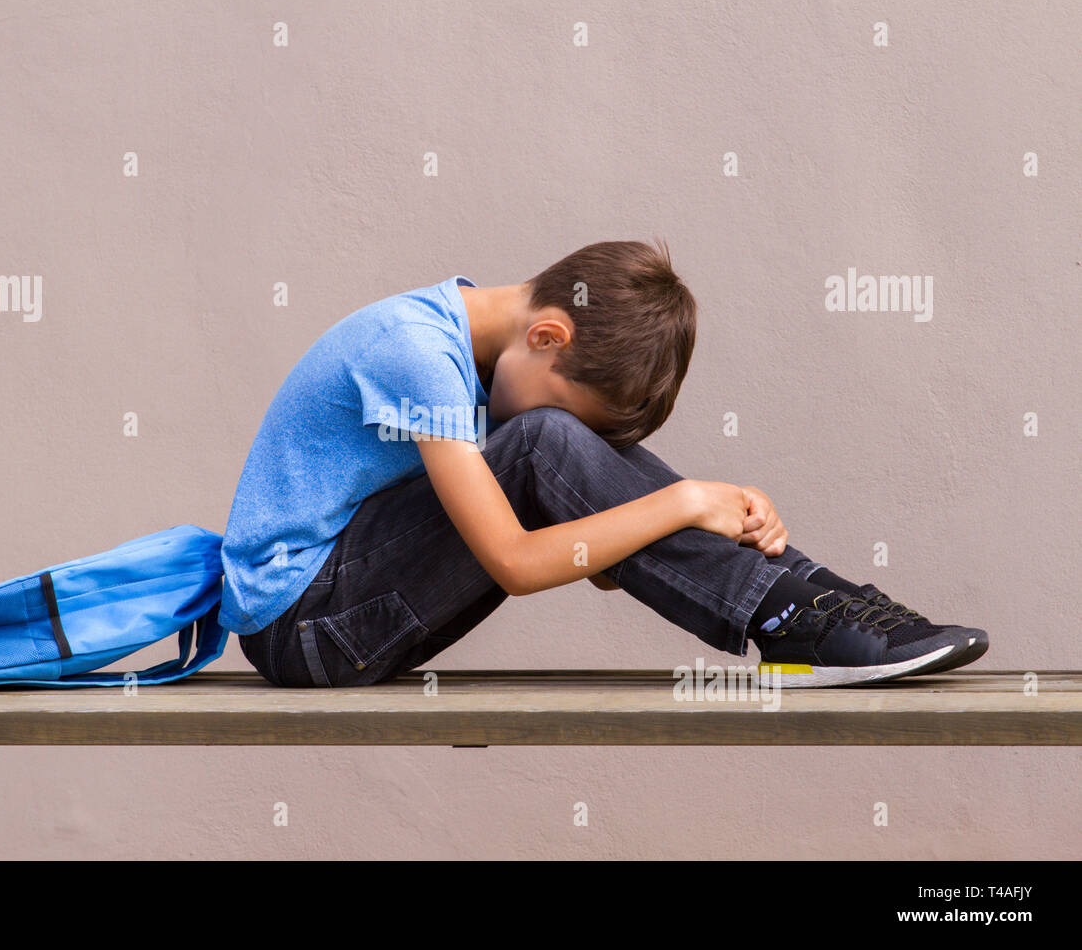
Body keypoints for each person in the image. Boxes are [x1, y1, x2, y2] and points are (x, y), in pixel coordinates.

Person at [221, 239, 987, 689]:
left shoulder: (480, 348)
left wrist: (719, 523)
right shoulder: (416, 355)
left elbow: (596, 561)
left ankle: (814, 600)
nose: (566, 433)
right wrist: (685, 501)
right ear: (549, 336)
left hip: (349, 610)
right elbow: (517, 563)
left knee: (543, 446)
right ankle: (788, 616)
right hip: (306, 627)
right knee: (540, 443)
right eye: (576, 412)